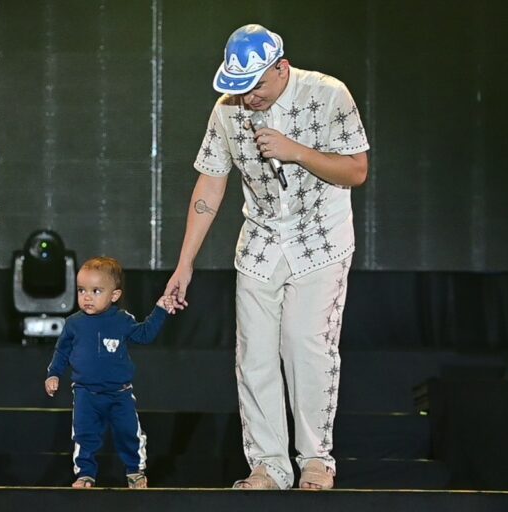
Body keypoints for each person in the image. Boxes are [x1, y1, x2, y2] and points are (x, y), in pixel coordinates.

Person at [165, 24, 369, 490]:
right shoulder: (227, 111)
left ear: (281, 68)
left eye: (255, 86)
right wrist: (185, 263)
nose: (248, 97)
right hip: (260, 242)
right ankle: (270, 465)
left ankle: (316, 460)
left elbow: (356, 170)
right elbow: (211, 182)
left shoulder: (329, 94)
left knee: (305, 345)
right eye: (239, 88)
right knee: (253, 354)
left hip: (320, 238)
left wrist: (296, 152)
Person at [45, 256, 176, 489]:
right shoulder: (74, 323)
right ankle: (85, 474)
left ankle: (135, 472)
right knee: (84, 435)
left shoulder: (121, 320)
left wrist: (160, 310)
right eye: (81, 290)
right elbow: (62, 350)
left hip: (119, 394)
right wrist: (54, 373)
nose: (87, 297)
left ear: (114, 295)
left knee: (128, 433)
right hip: (86, 393)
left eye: (96, 291)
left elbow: (144, 334)